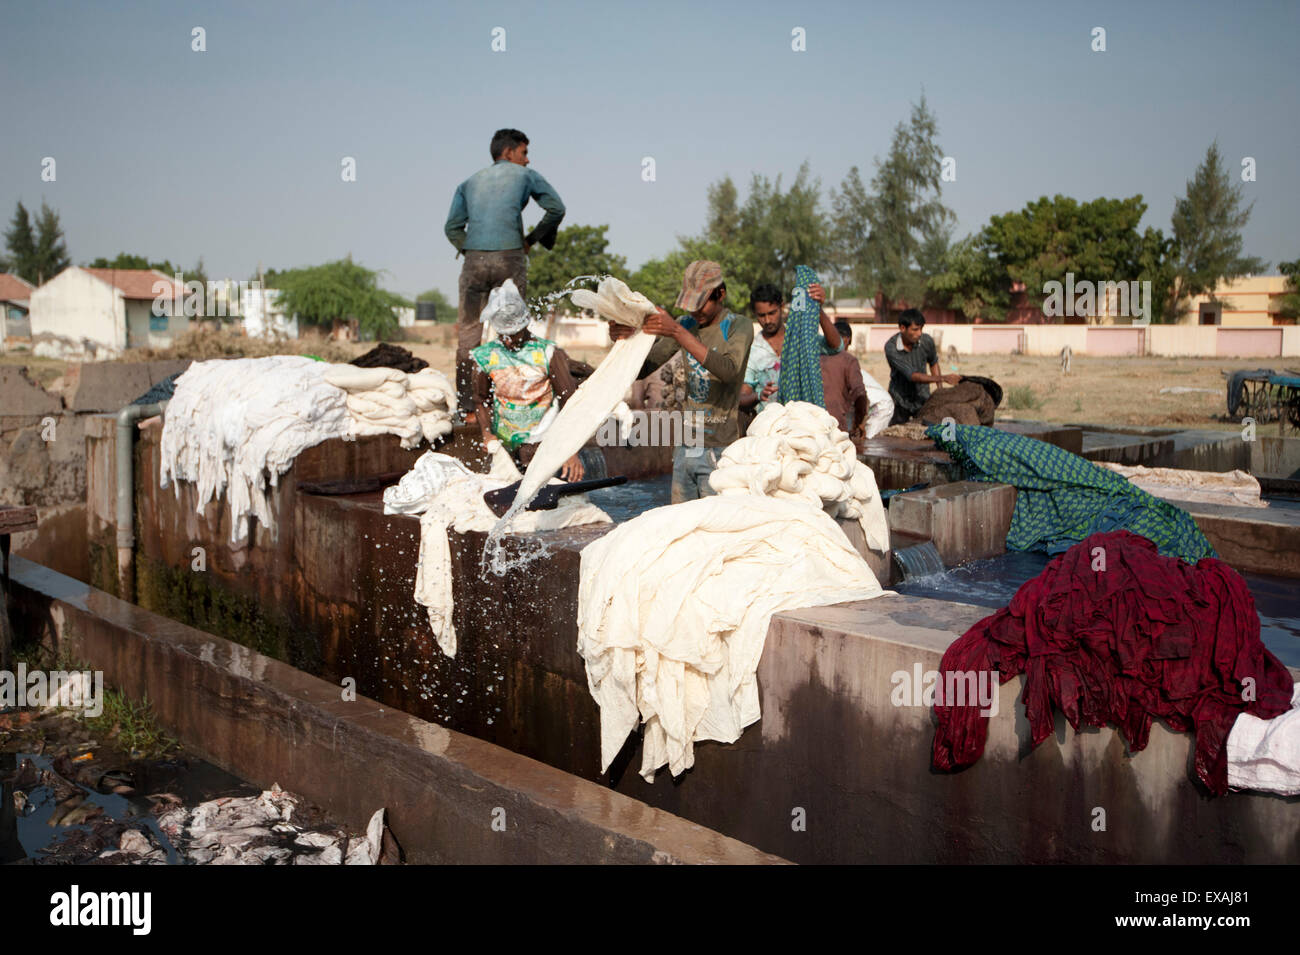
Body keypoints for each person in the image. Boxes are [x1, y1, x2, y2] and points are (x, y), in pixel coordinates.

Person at [445, 128, 566, 419]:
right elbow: (556, 209)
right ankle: (511, 404)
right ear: (509, 152)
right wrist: (531, 240)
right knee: (511, 332)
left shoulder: (468, 182)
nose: (527, 160)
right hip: (509, 258)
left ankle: (468, 409)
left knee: (468, 337)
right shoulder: (525, 176)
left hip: (473, 262)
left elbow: (451, 228)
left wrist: (470, 249)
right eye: (524, 153)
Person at [609, 261, 753, 503]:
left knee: (715, 523)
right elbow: (645, 368)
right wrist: (623, 341)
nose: (695, 311)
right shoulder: (687, 325)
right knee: (681, 524)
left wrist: (676, 331)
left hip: (719, 448)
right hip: (686, 446)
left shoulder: (739, 326)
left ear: (721, 294)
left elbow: (728, 371)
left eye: (702, 303)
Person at [472, 287, 583, 482]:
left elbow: (569, 401)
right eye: (503, 335)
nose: (508, 341)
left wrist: (570, 451)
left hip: (545, 445)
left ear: (525, 325)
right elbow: (481, 400)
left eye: (513, 334)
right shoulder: (485, 356)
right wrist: (487, 434)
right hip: (507, 448)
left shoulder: (548, 353)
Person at [739, 282, 842, 418]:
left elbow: (836, 346)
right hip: (770, 423)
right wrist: (759, 395)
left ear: (782, 307)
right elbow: (743, 396)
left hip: (803, 418)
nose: (768, 320)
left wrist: (819, 309)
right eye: (762, 316)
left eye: (772, 313)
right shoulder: (754, 351)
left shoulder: (799, 337)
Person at [884, 309, 958, 425]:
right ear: (903, 328)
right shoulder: (891, 347)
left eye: (921, 329)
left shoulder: (926, 341)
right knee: (896, 437)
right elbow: (912, 376)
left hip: (922, 398)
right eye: (915, 329)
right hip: (899, 401)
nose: (919, 333)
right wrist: (943, 378)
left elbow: (933, 362)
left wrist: (940, 390)